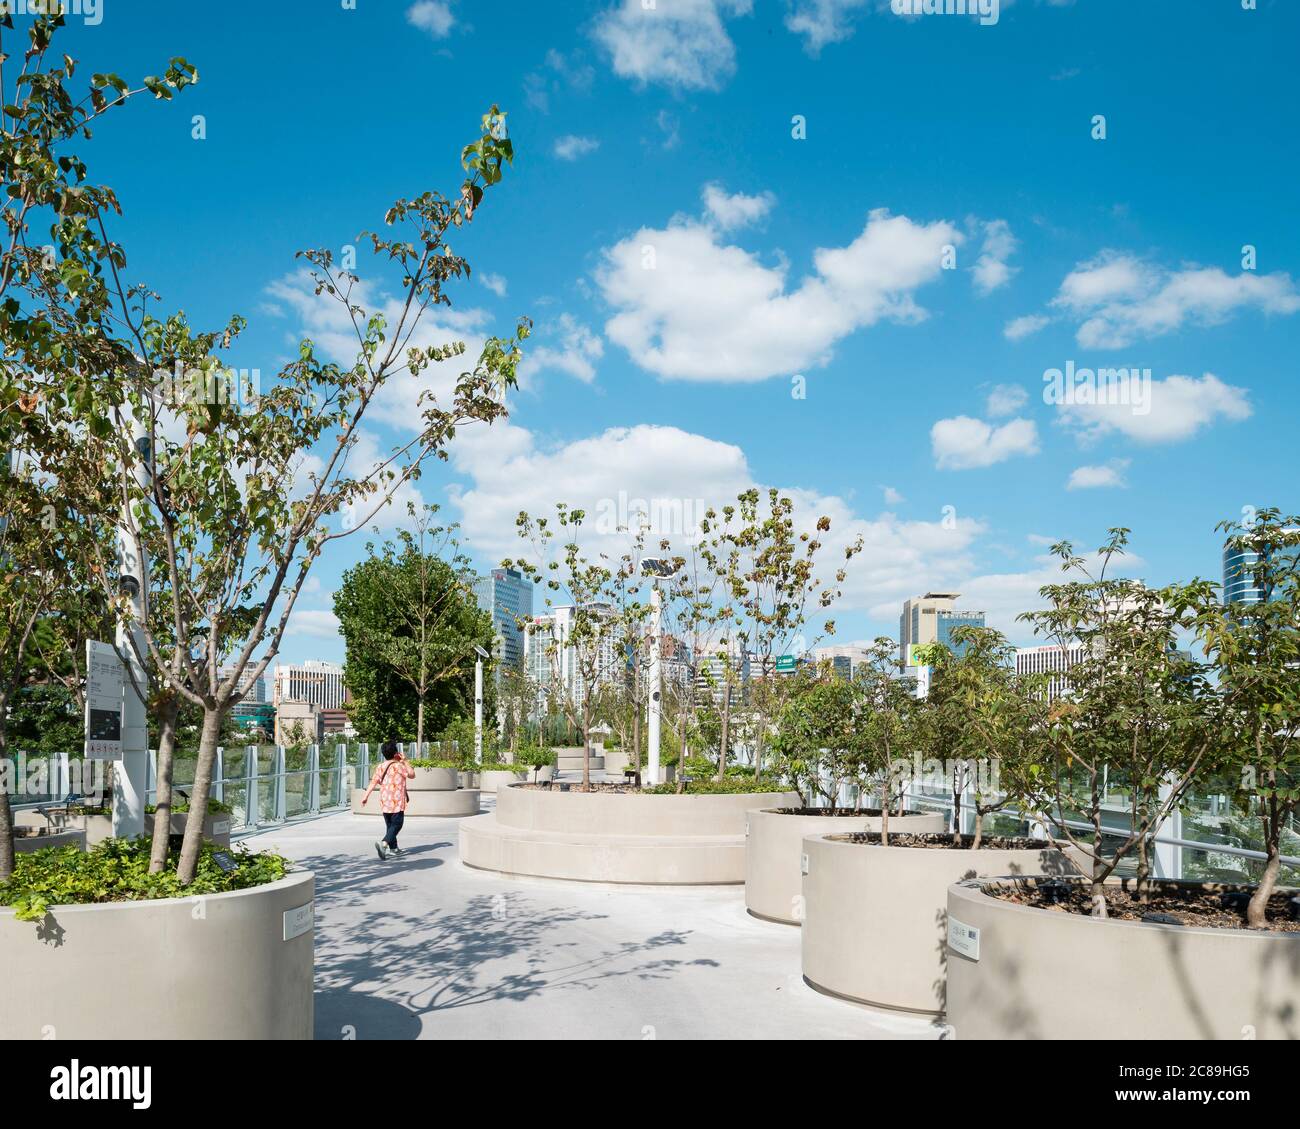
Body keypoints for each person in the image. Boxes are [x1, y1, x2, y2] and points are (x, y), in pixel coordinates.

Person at [361, 739, 415, 859]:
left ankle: (394, 848)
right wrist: (405, 761)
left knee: (390, 825)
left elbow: (373, 782)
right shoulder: (398, 766)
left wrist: (365, 796)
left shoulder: (380, 766)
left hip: (385, 801)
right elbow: (412, 774)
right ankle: (384, 844)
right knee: (397, 824)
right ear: (396, 753)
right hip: (396, 801)